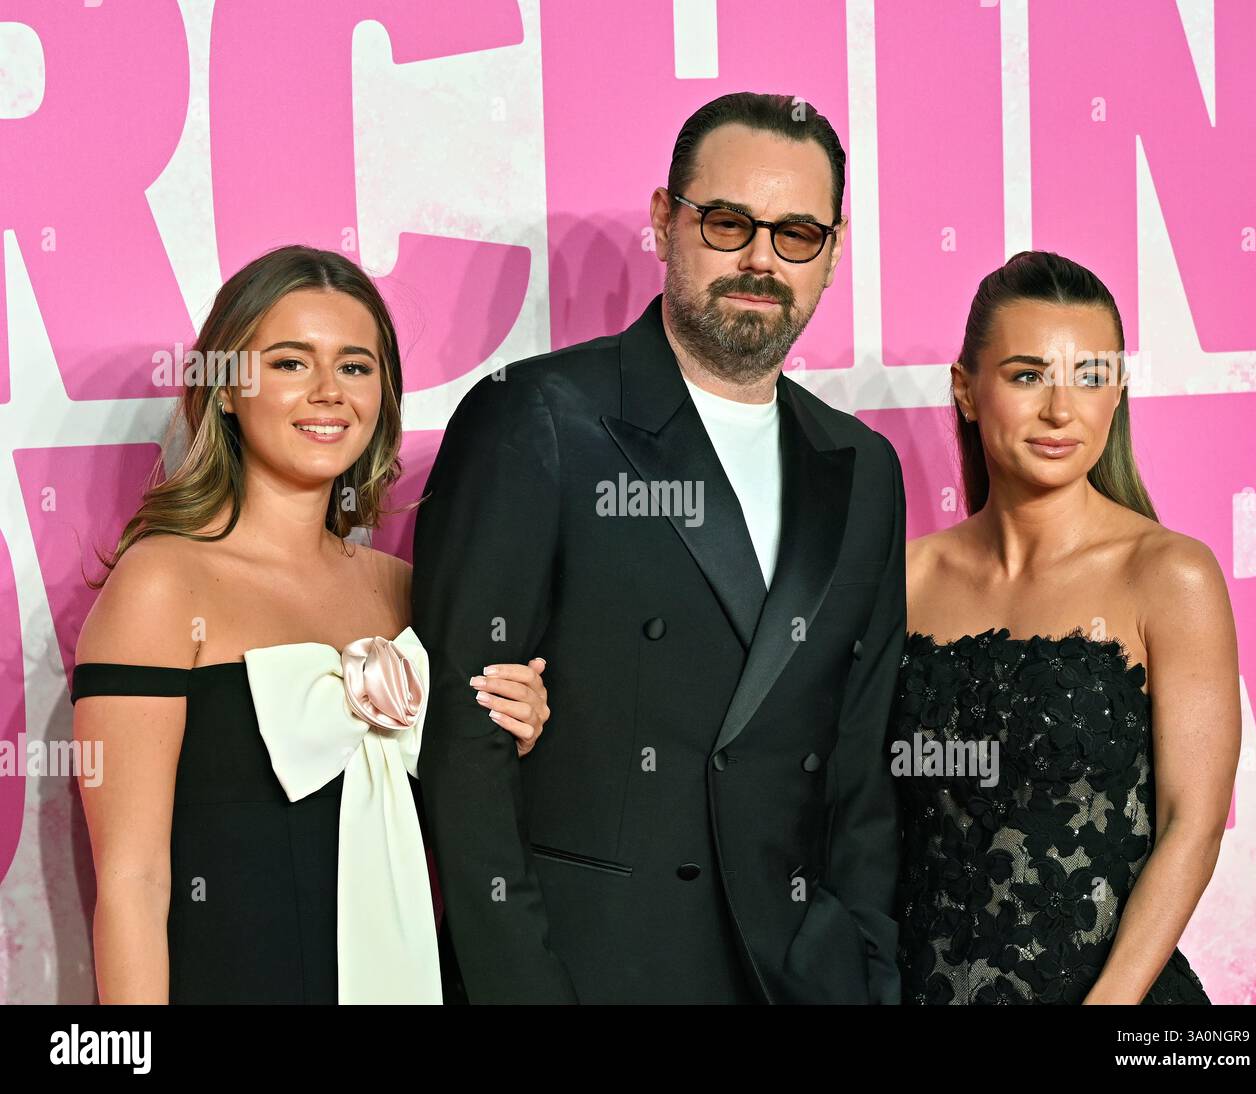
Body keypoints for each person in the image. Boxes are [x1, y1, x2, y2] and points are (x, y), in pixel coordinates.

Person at [414, 92, 904, 1004]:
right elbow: (464, 745)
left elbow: (859, 763)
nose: (762, 258)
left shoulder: (864, 469)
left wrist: (865, 967)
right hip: (592, 970)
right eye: (728, 222)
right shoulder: (540, 416)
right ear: (664, 222)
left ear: (834, 252)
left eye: (797, 233)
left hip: (795, 978)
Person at [71, 245, 549, 1004]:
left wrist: (517, 730)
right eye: (291, 363)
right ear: (225, 390)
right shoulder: (163, 584)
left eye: (355, 367)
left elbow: (469, 842)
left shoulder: (412, 596)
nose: (329, 392)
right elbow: (132, 879)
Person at [891, 250, 1239, 1004]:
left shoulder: (1169, 574)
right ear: (966, 390)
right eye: (1026, 375)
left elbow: (1193, 824)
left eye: (1090, 377)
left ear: (1116, 393)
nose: (1061, 410)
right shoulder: (905, 580)